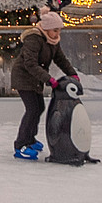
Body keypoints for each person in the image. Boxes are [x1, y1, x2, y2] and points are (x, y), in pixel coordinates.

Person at [10, 9, 77, 160]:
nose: (57, 33)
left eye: (59, 30)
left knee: (39, 107)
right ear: (46, 29)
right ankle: (20, 145)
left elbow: (61, 59)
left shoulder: (53, 41)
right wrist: (48, 79)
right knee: (32, 109)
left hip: (35, 79)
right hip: (23, 77)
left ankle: (30, 139)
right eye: (55, 30)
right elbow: (30, 64)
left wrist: (72, 74)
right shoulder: (34, 39)